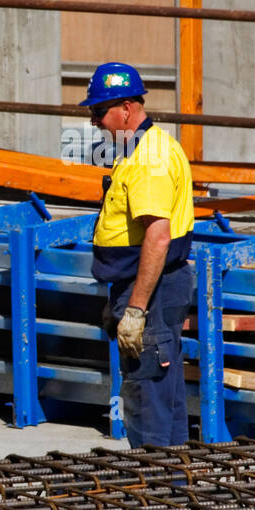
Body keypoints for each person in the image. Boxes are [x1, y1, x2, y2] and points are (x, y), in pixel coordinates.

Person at [85, 62, 195, 448]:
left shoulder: (148, 157)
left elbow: (158, 236)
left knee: (148, 403)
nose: (95, 121)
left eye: (99, 112)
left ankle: (157, 493)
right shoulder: (139, 149)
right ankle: (175, 492)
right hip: (147, 286)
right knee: (165, 401)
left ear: (127, 108)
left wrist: (135, 309)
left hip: (153, 290)